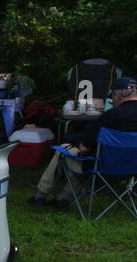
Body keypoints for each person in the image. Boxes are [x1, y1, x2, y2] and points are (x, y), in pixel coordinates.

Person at [31, 74, 137, 209]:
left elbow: (84, 149)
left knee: (68, 151)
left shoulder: (111, 116)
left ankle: (40, 195)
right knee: (80, 156)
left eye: (112, 98)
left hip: (103, 169)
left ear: (118, 95)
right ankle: (62, 198)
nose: (112, 101)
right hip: (133, 170)